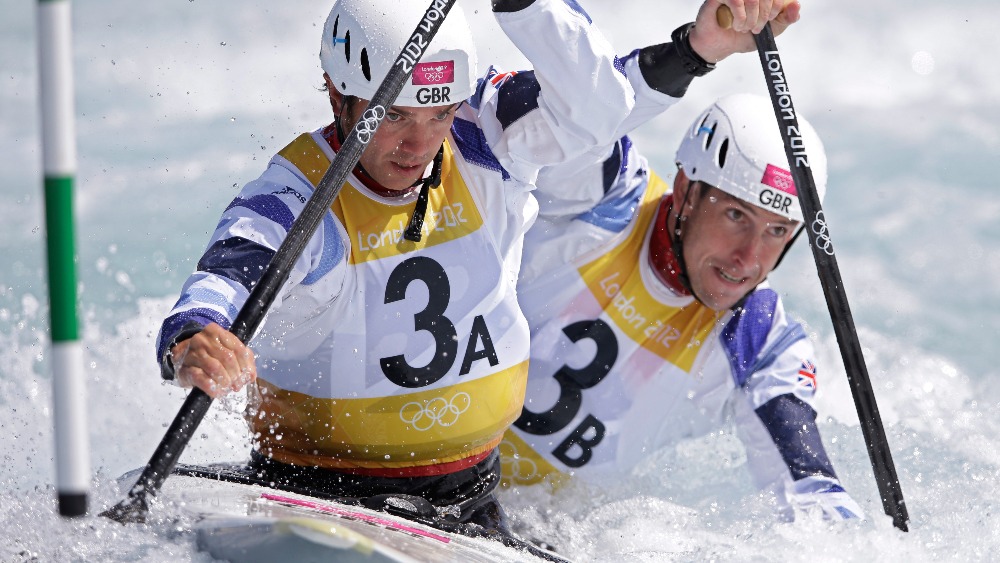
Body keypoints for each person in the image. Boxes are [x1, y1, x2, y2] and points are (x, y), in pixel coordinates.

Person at [154, 0, 798, 540]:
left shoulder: (483, 138)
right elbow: (234, 265)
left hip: (470, 505)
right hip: (314, 491)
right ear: (338, 95)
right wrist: (197, 331)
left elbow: (598, 104)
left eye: (437, 113)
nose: (418, 144)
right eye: (396, 117)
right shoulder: (298, 199)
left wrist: (690, 48)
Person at [502, 92, 866, 522]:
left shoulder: (759, 340)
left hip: (546, 522)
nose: (748, 257)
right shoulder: (606, 195)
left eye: (776, 231)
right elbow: (545, 104)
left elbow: (811, 495)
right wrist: (694, 53)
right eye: (736, 215)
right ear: (685, 192)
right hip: (430, 447)